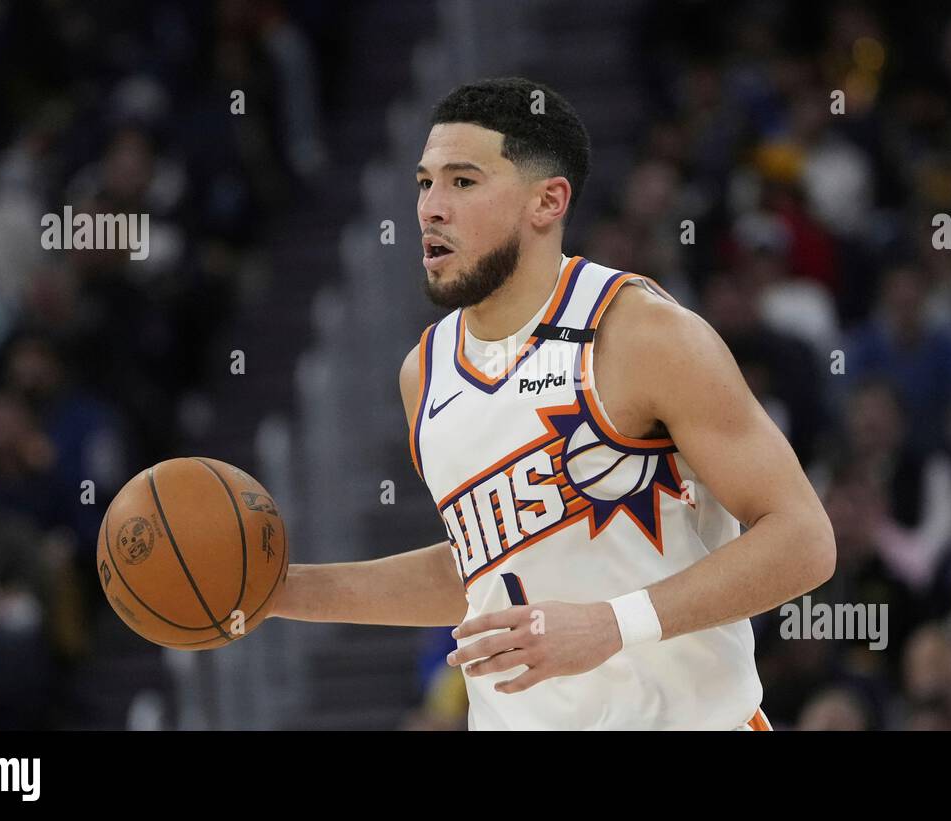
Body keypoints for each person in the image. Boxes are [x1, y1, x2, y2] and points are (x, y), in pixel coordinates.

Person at [270, 77, 836, 730]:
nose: (430, 207)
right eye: (425, 182)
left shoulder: (640, 333)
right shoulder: (422, 374)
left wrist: (609, 624)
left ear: (547, 201)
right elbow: (483, 567)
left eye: (463, 181)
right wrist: (283, 591)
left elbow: (803, 540)